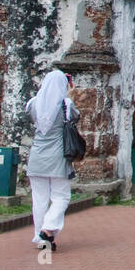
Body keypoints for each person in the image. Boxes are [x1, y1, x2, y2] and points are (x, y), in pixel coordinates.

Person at [25, 69, 77, 251]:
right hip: (56, 156)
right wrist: (69, 95)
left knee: (39, 199)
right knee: (61, 196)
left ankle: (41, 238)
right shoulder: (66, 105)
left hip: (37, 155)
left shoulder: (33, 104)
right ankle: (47, 229)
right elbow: (74, 119)